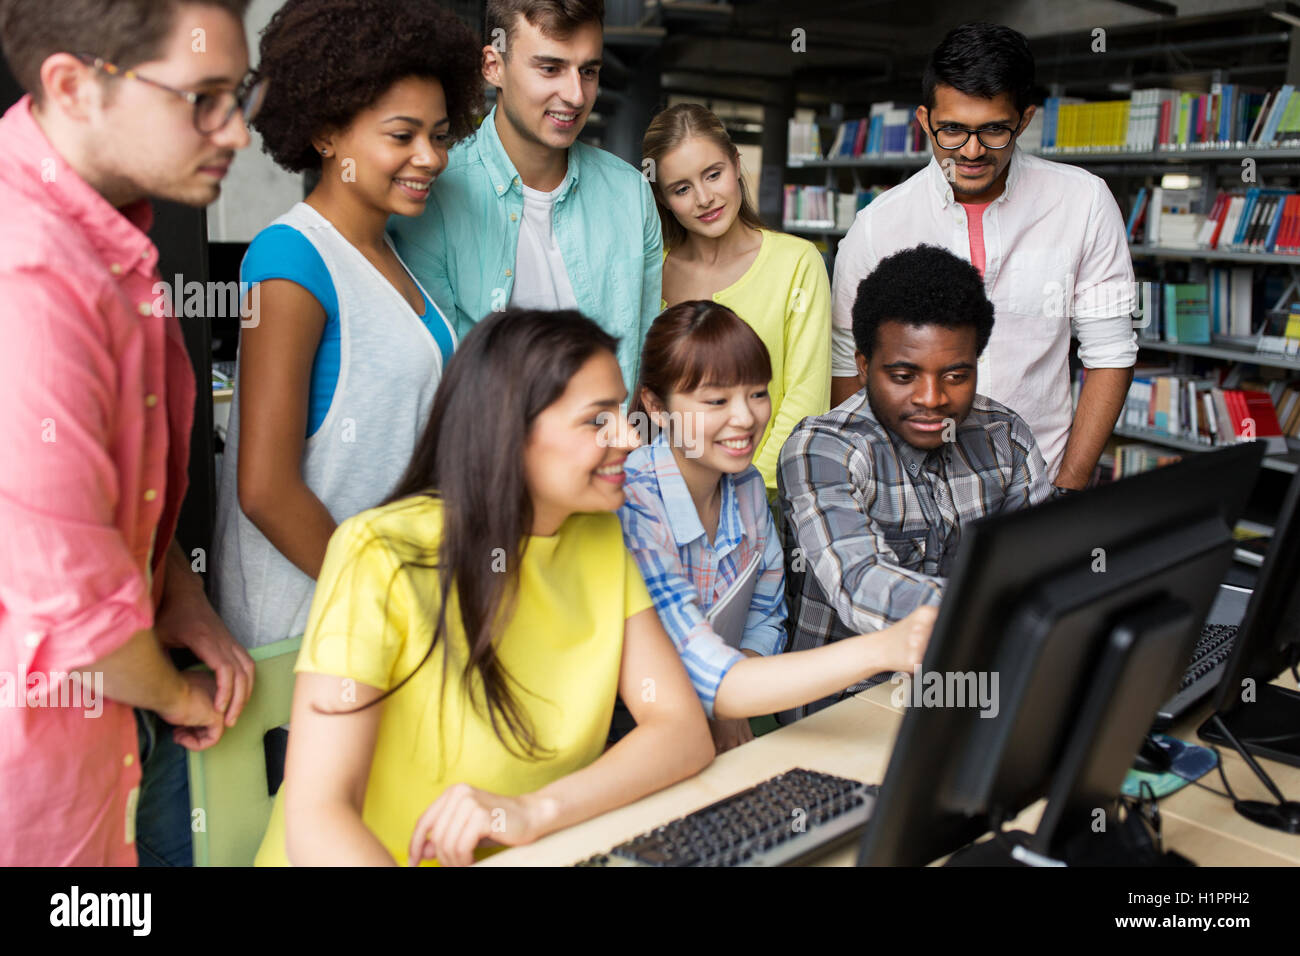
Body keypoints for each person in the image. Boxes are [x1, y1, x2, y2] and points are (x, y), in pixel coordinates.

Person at [255, 309, 714, 867]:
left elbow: (682, 731)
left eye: (621, 411)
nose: (628, 437)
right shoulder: (380, 553)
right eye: (598, 420)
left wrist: (533, 812)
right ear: (509, 432)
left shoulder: (598, 534)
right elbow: (318, 818)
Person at [0, 0, 258, 866]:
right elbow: (82, 624)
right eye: (202, 98)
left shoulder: (107, 234)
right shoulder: (28, 276)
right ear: (74, 87)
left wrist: (172, 587)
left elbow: (111, 496)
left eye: (240, 93)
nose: (237, 133)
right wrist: (178, 698)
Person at [210, 0, 479, 649]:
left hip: (387, 624)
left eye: (439, 135)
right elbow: (266, 490)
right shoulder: (290, 257)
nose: (431, 157)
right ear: (327, 133)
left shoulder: (393, 259)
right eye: (401, 135)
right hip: (310, 632)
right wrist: (385, 602)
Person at [829, 22, 1136, 493]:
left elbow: (1110, 352)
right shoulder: (877, 226)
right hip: (913, 496)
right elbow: (849, 365)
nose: (971, 152)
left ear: (1025, 119)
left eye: (994, 130)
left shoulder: (1084, 202)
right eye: (952, 130)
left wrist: (1068, 487)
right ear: (924, 120)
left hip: (1039, 486)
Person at [619, 301, 935, 750]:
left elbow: (766, 617)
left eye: (757, 393)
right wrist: (886, 647)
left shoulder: (746, 484)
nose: (745, 418)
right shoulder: (633, 503)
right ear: (654, 405)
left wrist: (737, 694)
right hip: (633, 741)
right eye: (716, 400)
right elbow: (699, 674)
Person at [781, 245, 1051, 714]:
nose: (932, 398)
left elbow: (1042, 566)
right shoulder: (823, 449)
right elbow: (860, 583)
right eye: (904, 375)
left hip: (972, 687)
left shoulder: (1005, 436)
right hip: (846, 706)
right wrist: (1006, 611)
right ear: (863, 367)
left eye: (956, 375)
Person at [390, 0, 661, 393]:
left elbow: (646, 364)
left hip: (609, 450)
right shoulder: (434, 194)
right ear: (492, 66)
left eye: (588, 71)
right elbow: (433, 377)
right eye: (550, 68)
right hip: (483, 452)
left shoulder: (632, 195)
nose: (575, 95)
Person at [642, 103, 830, 493]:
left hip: (768, 496)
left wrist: (743, 492)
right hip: (662, 497)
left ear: (736, 163)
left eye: (714, 175)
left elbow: (805, 400)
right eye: (682, 188)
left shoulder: (797, 262)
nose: (704, 198)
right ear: (662, 198)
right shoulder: (648, 271)